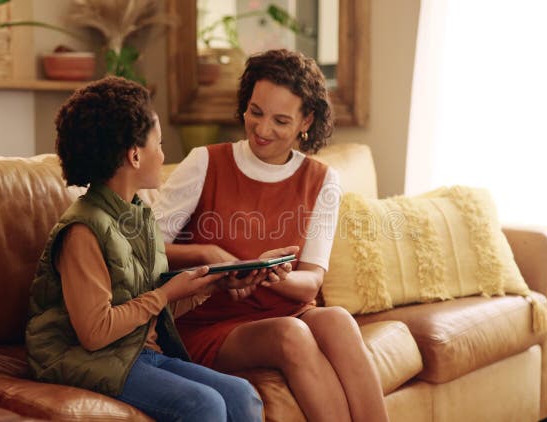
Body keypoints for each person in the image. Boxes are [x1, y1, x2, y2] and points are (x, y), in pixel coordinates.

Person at [153, 50, 389, 422]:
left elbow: (311, 281)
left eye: (280, 120)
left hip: (288, 307)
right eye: (255, 112)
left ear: (305, 120)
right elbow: (144, 250)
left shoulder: (322, 179)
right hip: (207, 321)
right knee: (291, 335)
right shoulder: (205, 162)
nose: (263, 130)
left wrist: (273, 274)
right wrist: (207, 254)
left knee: (339, 320)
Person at [25, 76, 263, 422]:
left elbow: (142, 303)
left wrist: (209, 286)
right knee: (204, 405)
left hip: (135, 351)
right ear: (135, 155)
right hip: (81, 357)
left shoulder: (137, 215)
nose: (164, 155)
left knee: (242, 395)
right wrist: (165, 294)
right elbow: (95, 333)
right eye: (160, 144)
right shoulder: (82, 230)